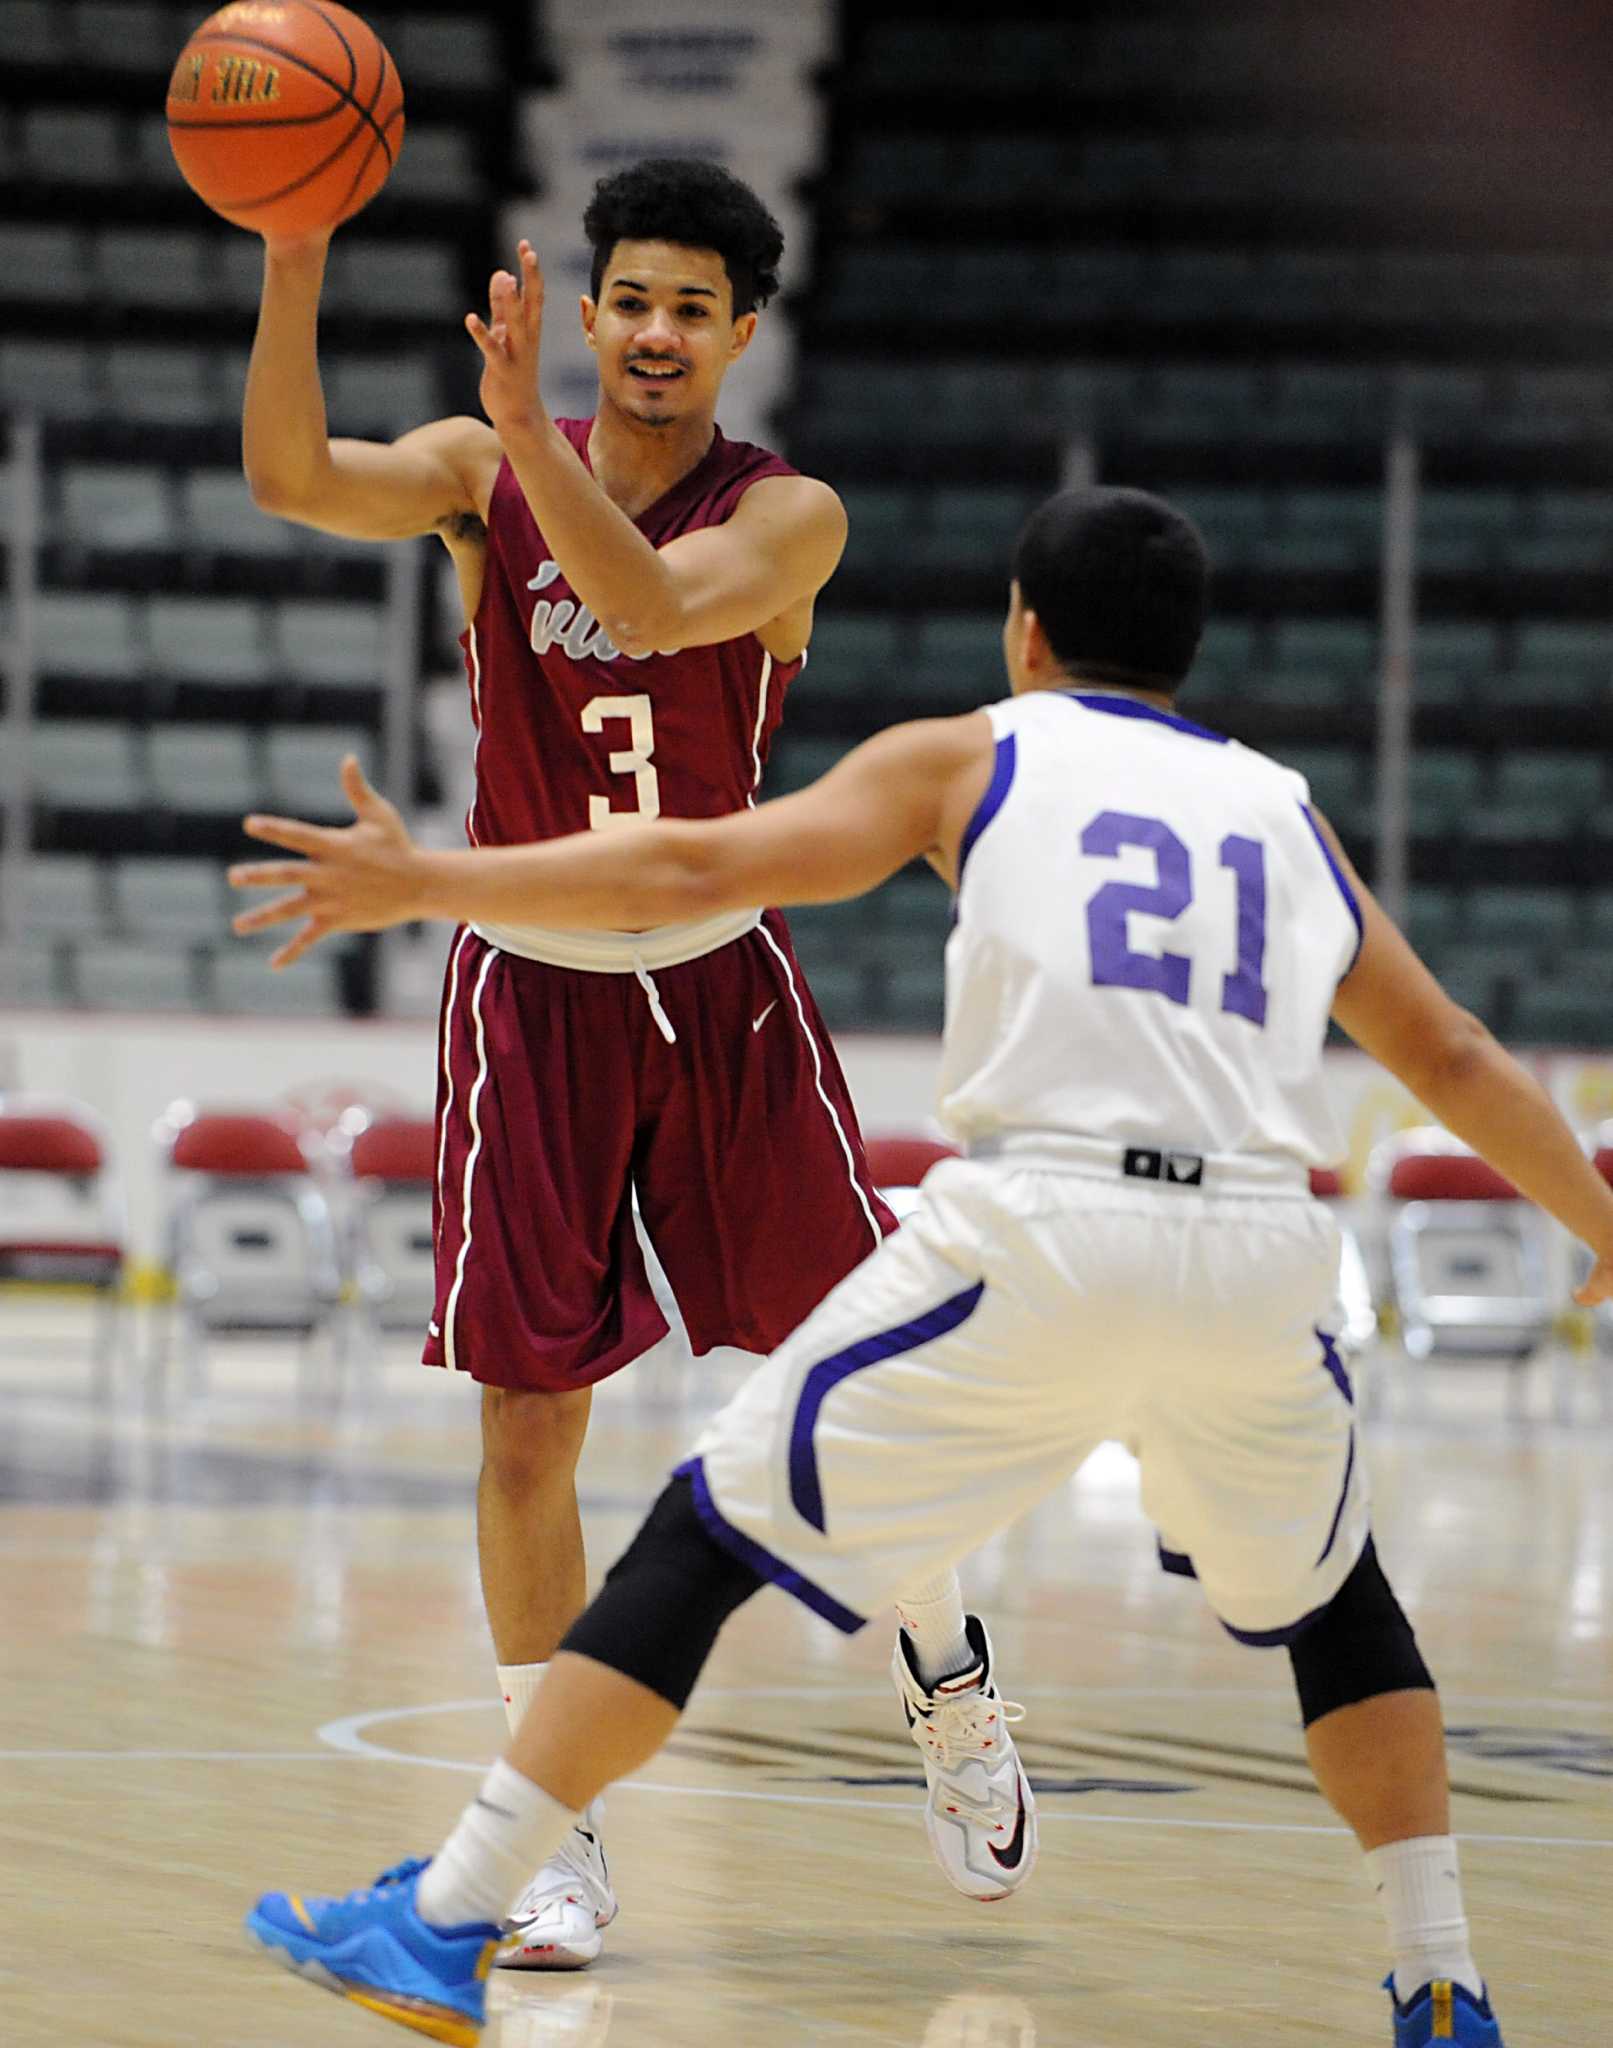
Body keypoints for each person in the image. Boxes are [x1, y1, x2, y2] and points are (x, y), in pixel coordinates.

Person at [231, 484, 1613, 2048]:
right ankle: (1442, 1980)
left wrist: (434, 886)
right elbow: (1448, 1048)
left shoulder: (972, 752)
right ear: (1186, 651)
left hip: (1049, 1226)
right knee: (1342, 1606)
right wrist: (1604, 1225)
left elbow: (690, 873)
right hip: (1257, 1249)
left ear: (1023, 631)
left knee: (702, 1534)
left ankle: (447, 1919)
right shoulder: (1281, 809)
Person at [238, 156, 1032, 1966]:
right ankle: (556, 1835)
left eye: (695, 306)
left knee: (857, 1384)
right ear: (588, 311)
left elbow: (663, 611)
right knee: (528, 1423)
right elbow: (288, 478)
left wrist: (527, 441)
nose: (659, 332)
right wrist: (296, 259)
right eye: (634, 299)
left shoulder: (789, 517)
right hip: (529, 993)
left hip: (722, 985)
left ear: (741, 333)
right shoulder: (474, 465)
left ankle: (950, 1679)